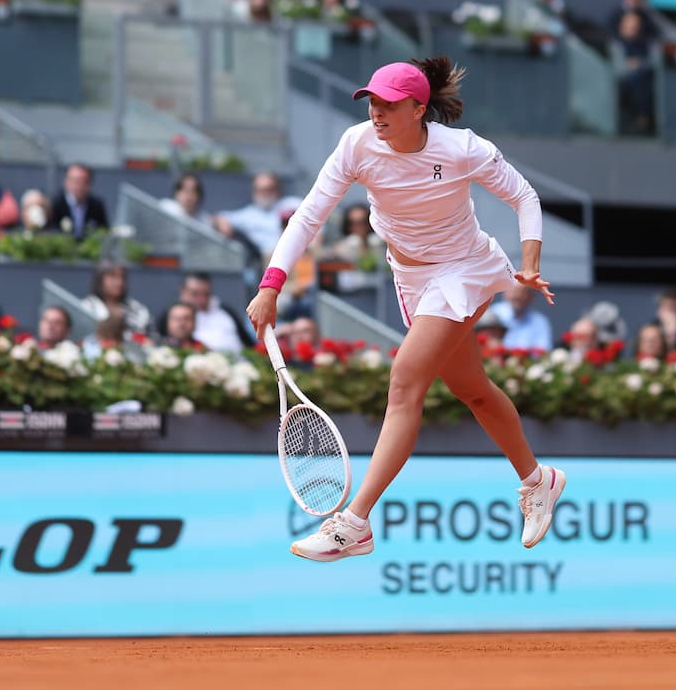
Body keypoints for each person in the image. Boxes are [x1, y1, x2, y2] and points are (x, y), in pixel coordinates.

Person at [245, 57, 564, 562]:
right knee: (471, 390)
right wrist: (272, 284)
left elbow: (524, 196)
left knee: (405, 380)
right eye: (371, 101)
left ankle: (354, 522)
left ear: (419, 108)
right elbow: (309, 215)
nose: (376, 112)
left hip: (463, 269)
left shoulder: (462, 149)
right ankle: (538, 479)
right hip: (410, 277)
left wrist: (529, 262)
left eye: (389, 104)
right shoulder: (356, 144)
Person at [158, 272, 253, 353]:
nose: (201, 300)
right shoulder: (170, 313)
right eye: (195, 294)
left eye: (206, 294)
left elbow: (249, 344)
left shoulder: (226, 312)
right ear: (183, 292)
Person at [82, 260, 151, 335]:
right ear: (99, 279)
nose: (119, 282)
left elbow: (150, 338)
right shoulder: (86, 308)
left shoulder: (138, 310)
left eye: (122, 277)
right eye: (113, 276)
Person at [48, 163, 109, 240]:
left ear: (90, 184)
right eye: (75, 181)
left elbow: (104, 231)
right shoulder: (55, 203)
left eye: (83, 182)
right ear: (66, 182)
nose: (79, 186)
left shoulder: (97, 205)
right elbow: (49, 232)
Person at [489, 283, 552, 352]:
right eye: (514, 291)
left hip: (528, 362)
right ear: (505, 294)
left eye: (522, 292)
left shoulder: (540, 322)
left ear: (531, 297)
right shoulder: (493, 314)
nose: (517, 296)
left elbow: (543, 352)